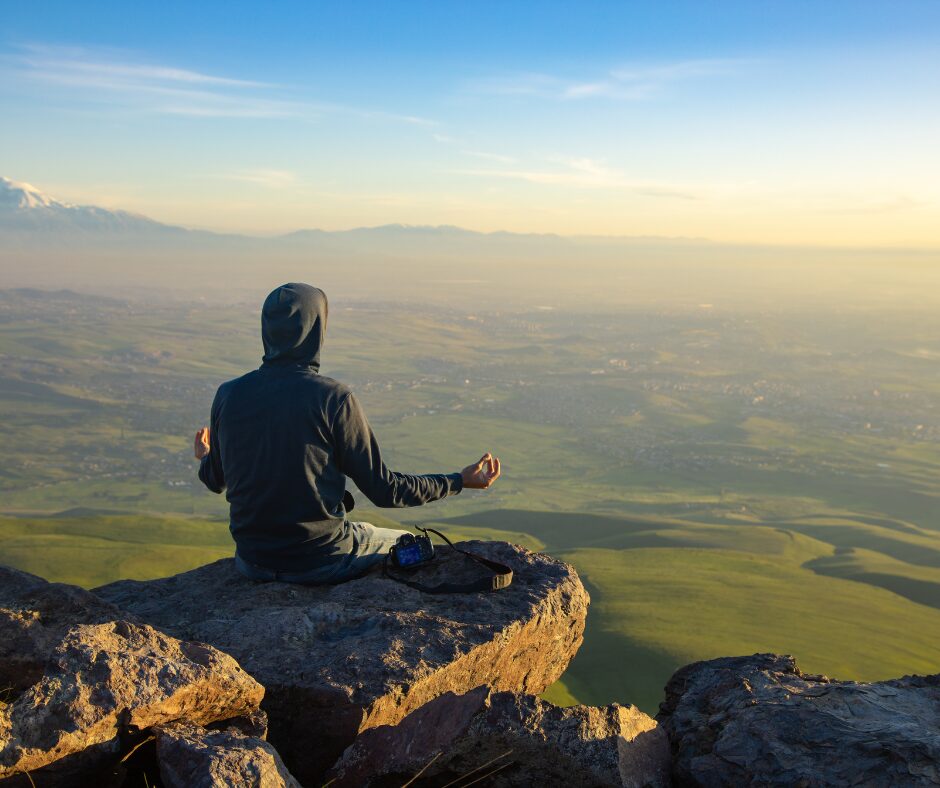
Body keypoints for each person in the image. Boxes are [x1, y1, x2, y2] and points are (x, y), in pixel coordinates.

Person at [193, 282, 501, 584]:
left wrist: (206, 454)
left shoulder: (229, 394)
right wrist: (459, 481)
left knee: (362, 528)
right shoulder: (332, 398)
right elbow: (385, 490)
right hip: (320, 562)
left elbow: (213, 479)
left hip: (252, 562)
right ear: (316, 328)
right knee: (406, 541)